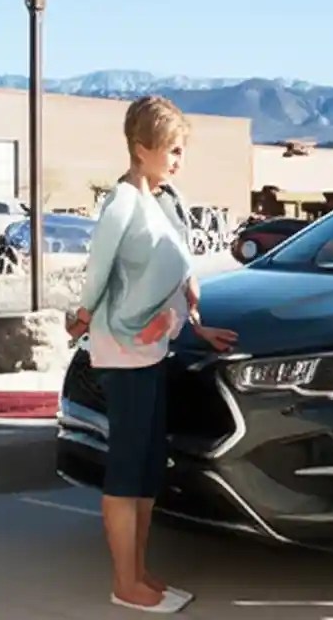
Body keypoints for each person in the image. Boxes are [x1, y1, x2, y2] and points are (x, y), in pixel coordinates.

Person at [74, 95, 238, 614]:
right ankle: (125, 583)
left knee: (146, 466)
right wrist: (80, 315)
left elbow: (171, 273)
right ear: (140, 147)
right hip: (122, 353)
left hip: (149, 349)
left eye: (181, 150)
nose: (177, 159)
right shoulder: (123, 202)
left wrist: (197, 325)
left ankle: (140, 572)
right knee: (127, 467)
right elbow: (99, 271)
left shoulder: (159, 199)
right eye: (170, 149)